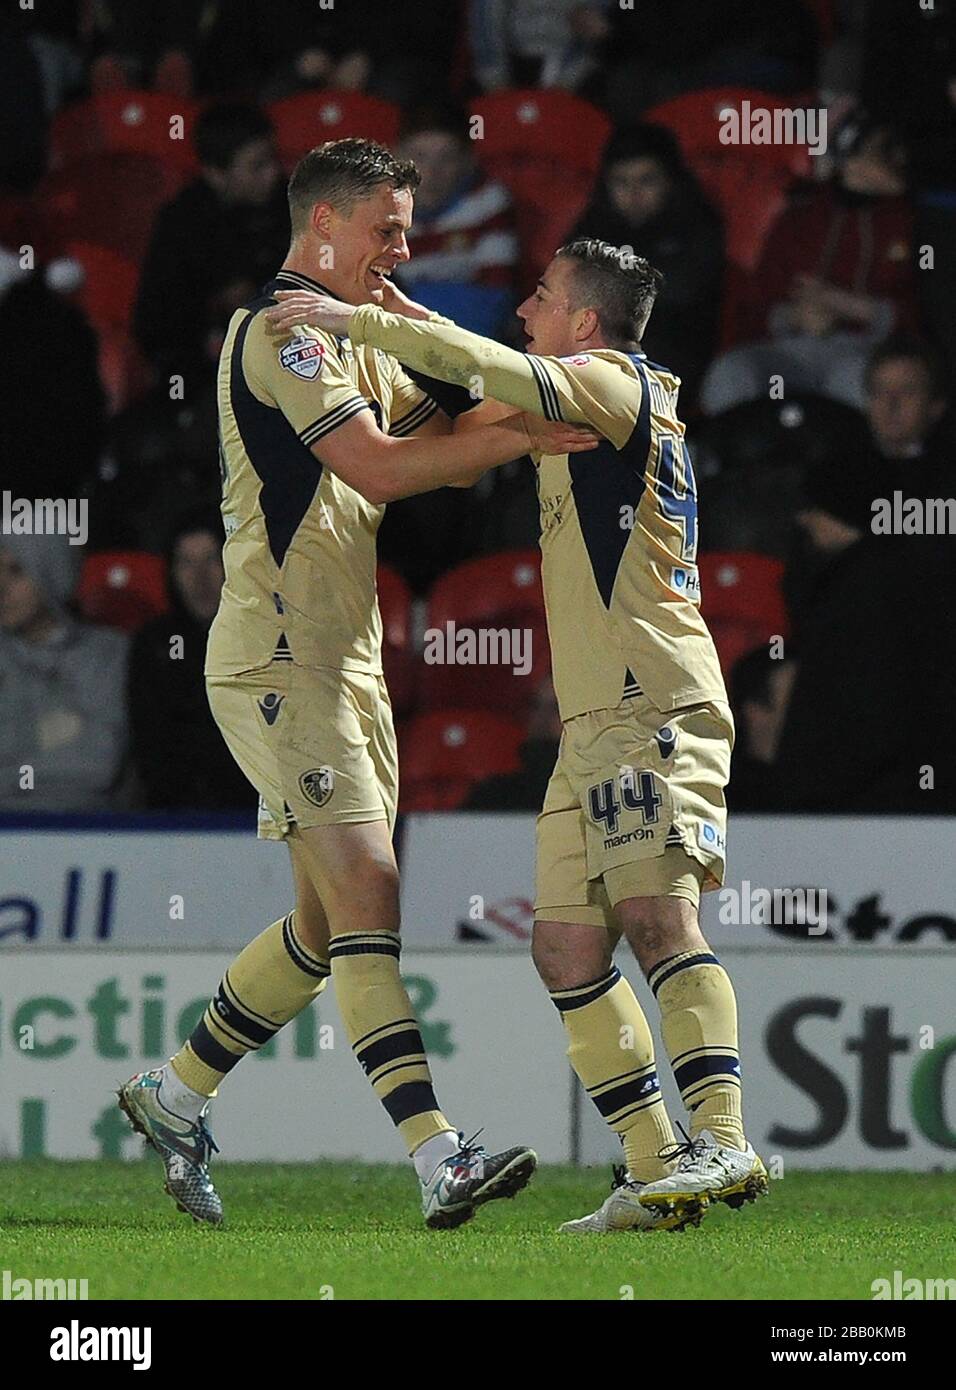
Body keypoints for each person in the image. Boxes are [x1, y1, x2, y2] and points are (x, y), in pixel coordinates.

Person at [118, 138, 598, 1230]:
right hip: (279, 655)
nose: (402, 246)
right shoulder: (285, 331)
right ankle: (440, 1155)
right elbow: (381, 466)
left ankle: (173, 1093)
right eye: (386, 227)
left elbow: (451, 429)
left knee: (323, 926)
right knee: (370, 894)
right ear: (322, 224)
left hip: (344, 656)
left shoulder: (351, 333)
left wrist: (532, 412)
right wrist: (523, 431)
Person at [269, 236, 769, 1234]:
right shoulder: (581, 396)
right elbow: (464, 413)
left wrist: (351, 320)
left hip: (647, 704)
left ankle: (722, 1133)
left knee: (659, 921)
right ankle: (651, 1168)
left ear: (582, 322)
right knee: (563, 948)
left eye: (540, 296)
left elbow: (492, 372)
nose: (525, 307)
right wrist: (403, 321)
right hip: (589, 722)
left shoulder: (613, 383)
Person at [701, 116, 919, 415]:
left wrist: (853, 307)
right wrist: (793, 317)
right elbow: (754, 302)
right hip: (792, 350)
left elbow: (926, 311)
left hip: (868, 351)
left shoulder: (911, 221)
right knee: (732, 375)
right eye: (868, 154)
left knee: (859, 381)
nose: (881, 164)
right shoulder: (802, 216)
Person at [134, 103, 289, 393]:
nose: (272, 174)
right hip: (203, 377)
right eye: (257, 166)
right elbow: (155, 320)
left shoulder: (290, 208)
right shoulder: (182, 223)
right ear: (216, 174)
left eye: (273, 161)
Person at [570, 124, 725, 406]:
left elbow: (684, 291)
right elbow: (568, 283)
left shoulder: (696, 223)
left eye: (647, 181)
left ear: (669, 180)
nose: (633, 193)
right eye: (621, 182)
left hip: (673, 353)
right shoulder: (595, 224)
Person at [128, 512, 251, 811]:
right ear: (170, 571)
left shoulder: (264, 639)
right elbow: (151, 747)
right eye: (186, 562)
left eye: (211, 559)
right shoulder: (153, 645)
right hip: (172, 816)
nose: (200, 577)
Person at [0, 534, 128, 813]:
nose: (1, 587)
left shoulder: (107, 653)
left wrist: (17, 746)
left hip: (90, 836)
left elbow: (99, 765)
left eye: (16, 571)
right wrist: (44, 734)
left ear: (50, 571)